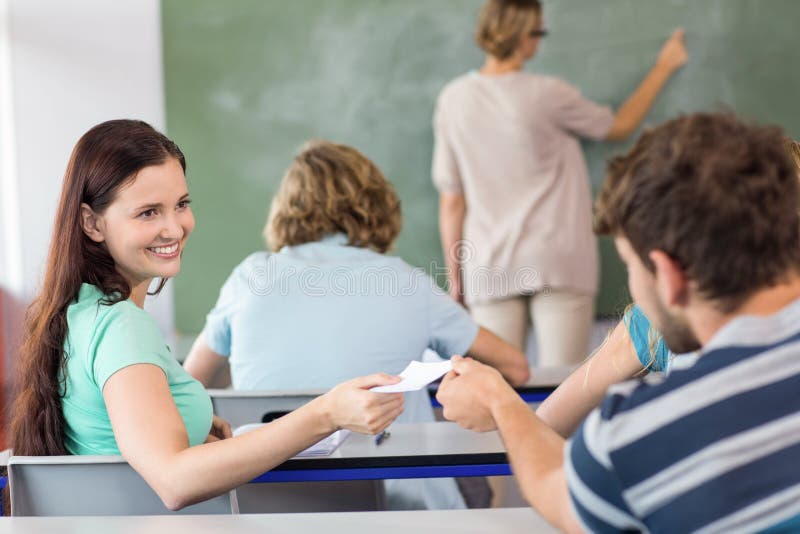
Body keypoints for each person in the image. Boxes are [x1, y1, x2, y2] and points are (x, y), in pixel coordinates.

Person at [8, 120, 404, 512]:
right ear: (91, 223)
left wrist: (188, 418)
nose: (174, 228)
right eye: (148, 213)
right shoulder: (122, 325)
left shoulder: (81, 309)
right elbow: (174, 481)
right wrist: (326, 413)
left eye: (181, 204)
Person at [436, 113, 800, 532]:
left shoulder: (640, 432)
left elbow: (561, 496)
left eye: (629, 265)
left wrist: (500, 402)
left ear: (669, 276)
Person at [184, 139, 529, 510]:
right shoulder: (406, 281)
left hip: (270, 507)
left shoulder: (250, 277)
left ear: (286, 209)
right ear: (377, 206)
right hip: (401, 507)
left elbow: (190, 388)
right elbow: (514, 367)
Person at [433, 0, 688, 367]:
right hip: (558, 260)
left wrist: (455, 280)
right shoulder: (548, 93)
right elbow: (619, 126)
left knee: (498, 387)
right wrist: (664, 66)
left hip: (488, 266)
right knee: (563, 384)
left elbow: (452, 201)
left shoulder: (452, 100)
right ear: (525, 38)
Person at [536, 137, 800, 438]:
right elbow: (549, 421)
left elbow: (547, 424)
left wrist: (502, 404)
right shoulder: (653, 322)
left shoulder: (661, 315)